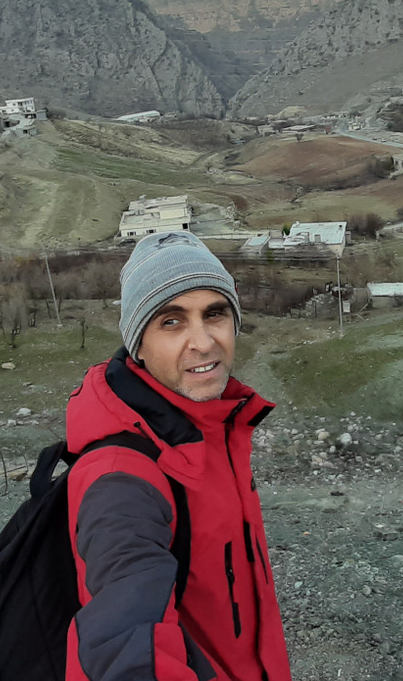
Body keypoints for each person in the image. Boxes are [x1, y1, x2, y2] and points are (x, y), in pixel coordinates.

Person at [63, 231, 291, 681]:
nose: (203, 342)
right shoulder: (119, 476)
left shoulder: (216, 424)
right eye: (171, 321)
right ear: (138, 347)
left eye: (215, 314)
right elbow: (122, 638)